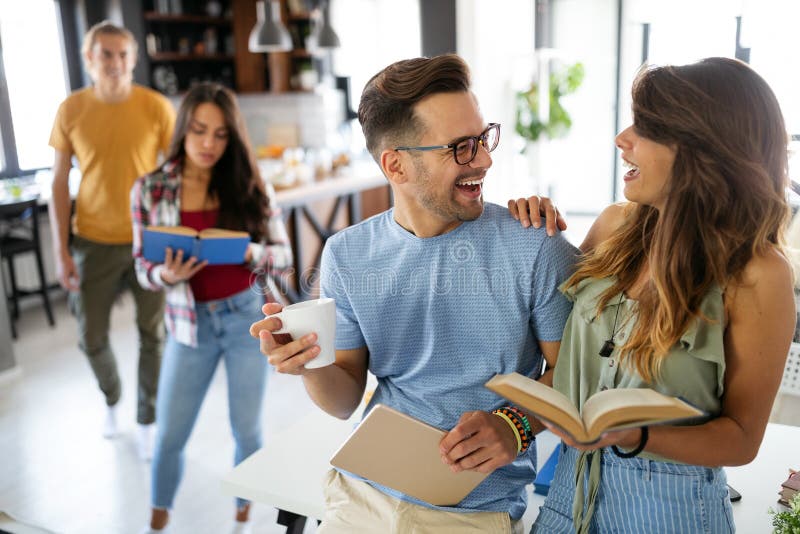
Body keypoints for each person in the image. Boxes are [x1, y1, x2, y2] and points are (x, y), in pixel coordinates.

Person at [250, 54, 576, 533]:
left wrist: (517, 424)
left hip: (475, 509)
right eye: (461, 148)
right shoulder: (346, 254)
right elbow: (343, 400)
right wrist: (308, 364)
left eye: (483, 139)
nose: (484, 159)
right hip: (361, 493)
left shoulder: (534, 243)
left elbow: (576, 374)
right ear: (396, 166)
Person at [509, 57, 795, 533]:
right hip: (566, 505)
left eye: (645, 127)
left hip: (671, 516)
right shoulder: (613, 227)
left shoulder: (759, 274)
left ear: (702, 147)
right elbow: (548, 346)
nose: (622, 138)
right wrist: (529, 232)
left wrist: (636, 435)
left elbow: (742, 439)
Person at [130, 82, 293, 533]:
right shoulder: (151, 189)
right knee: (169, 435)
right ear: (183, 130)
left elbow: (283, 257)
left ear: (232, 138)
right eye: (199, 131)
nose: (208, 144)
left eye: (220, 134)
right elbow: (142, 266)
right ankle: (158, 516)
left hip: (246, 317)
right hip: (189, 324)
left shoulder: (249, 183)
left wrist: (247, 253)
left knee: (247, 429)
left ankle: (243, 511)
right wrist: (165, 275)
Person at [48, 21, 176, 456]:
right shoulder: (71, 110)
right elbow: (58, 183)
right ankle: (112, 396)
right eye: (106, 54)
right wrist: (60, 248)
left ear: (134, 58)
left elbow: (176, 175)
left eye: (123, 54)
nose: (115, 63)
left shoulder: (156, 107)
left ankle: (147, 417)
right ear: (89, 59)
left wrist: (175, 232)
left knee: (152, 334)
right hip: (92, 240)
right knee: (90, 337)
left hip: (149, 239)